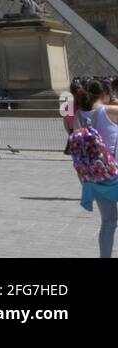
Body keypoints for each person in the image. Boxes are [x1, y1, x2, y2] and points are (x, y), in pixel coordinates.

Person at [72, 80, 118, 257]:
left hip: (95, 177)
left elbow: (76, 151)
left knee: (108, 222)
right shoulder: (109, 111)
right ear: (104, 94)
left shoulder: (79, 116)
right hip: (114, 172)